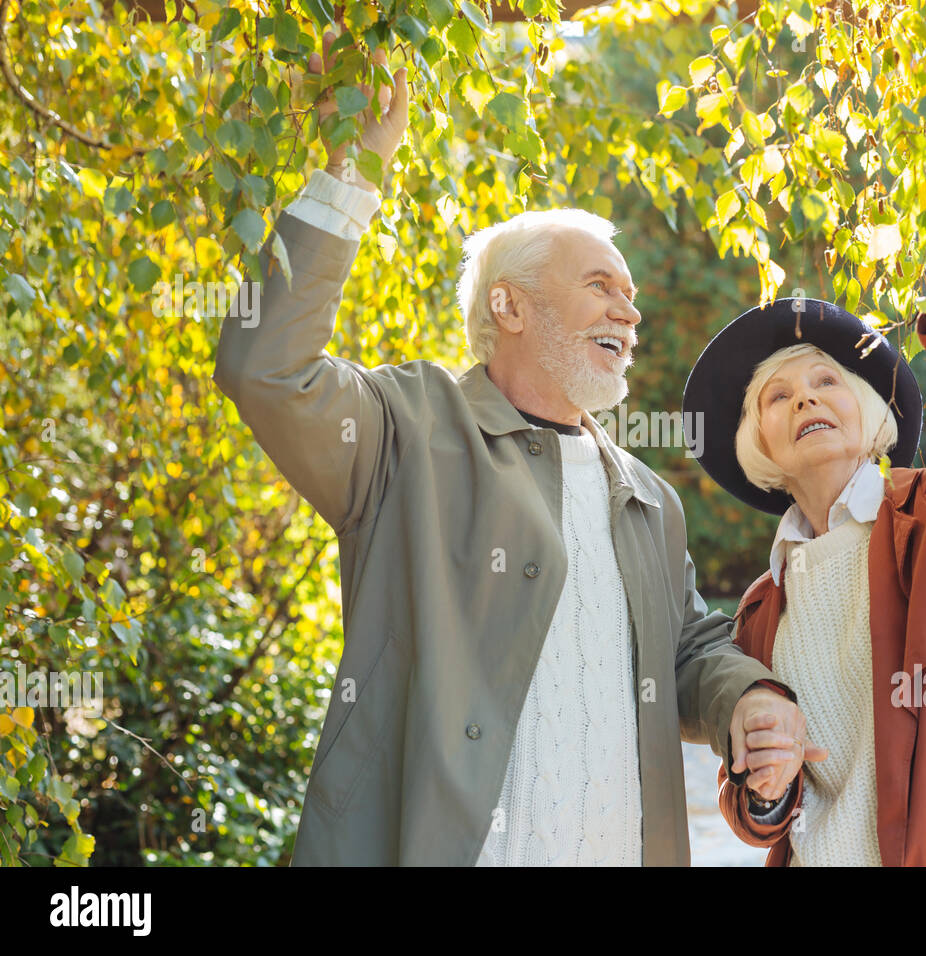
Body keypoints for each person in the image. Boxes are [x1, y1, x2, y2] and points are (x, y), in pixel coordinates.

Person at [212, 33, 818, 865]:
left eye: (632, 297)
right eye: (600, 287)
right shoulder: (403, 429)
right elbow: (265, 367)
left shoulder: (646, 497)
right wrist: (350, 174)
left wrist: (748, 696)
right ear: (510, 304)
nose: (630, 315)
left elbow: (685, 649)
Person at [682, 157, 926, 866]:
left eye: (827, 381)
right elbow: (752, 801)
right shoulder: (759, 612)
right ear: (759, 446)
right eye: (777, 397)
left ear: (873, 414)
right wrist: (763, 786)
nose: (806, 400)